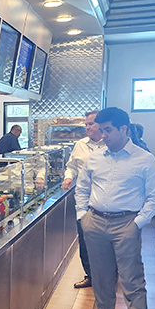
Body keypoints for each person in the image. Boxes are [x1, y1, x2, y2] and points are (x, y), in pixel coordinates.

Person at [75, 106, 155, 309]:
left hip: (126, 224)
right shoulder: (95, 158)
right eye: (101, 130)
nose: (103, 135)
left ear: (124, 129)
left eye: (108, 130)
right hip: (95, 222)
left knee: (132, 280)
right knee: (102, 278)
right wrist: (83, 217)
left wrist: (137, 223)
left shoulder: (144, 159)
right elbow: (82, 188)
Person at [61, 110, 105, 288]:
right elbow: (71, 166)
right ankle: (91, 276)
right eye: (86, 124)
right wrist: (68, 177)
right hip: (83, 200)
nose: (87, 127)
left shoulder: (111, 144)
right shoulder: (80, 145)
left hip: (105, 200)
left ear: (102, 124)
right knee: (85, 238)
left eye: (91, 124)